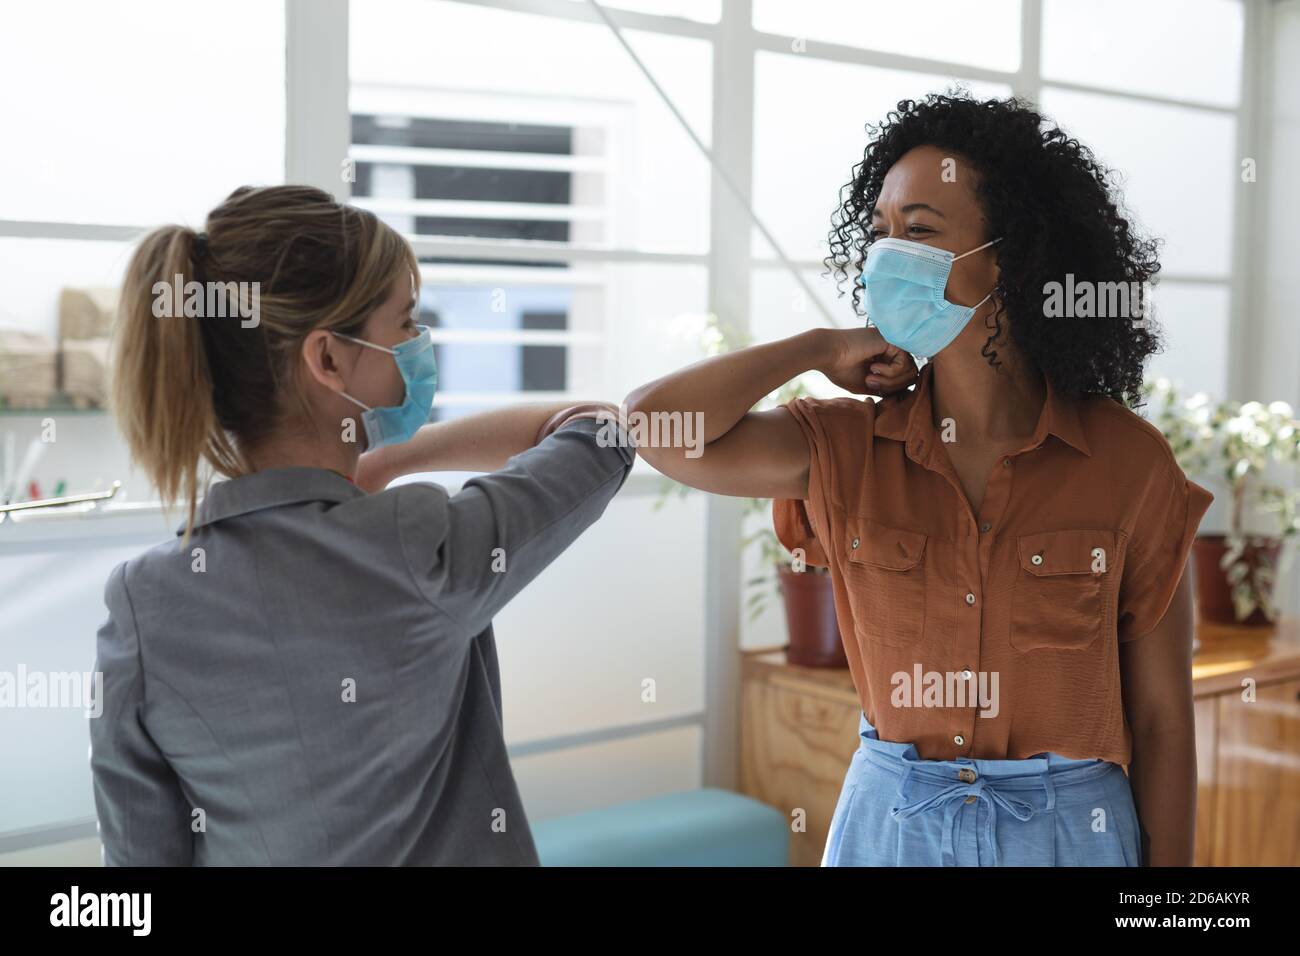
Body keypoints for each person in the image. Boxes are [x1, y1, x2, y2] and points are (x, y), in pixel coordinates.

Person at [625, 93, 1212, 866]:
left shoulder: (1129, 463)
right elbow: (652, 425)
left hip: (1072, 834)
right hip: (892, 827)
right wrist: (813, 347)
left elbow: (1166, 723)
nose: (887, 256)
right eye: (880, 234)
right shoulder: (840, 446)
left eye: (921, 231)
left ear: (1011, 257)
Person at [90, 184, 635, 864]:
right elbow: (601, 434)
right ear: (327, 359)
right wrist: (395, 457)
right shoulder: (418, 542)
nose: (421, 342)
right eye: (406, 322)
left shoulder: (141, 604)